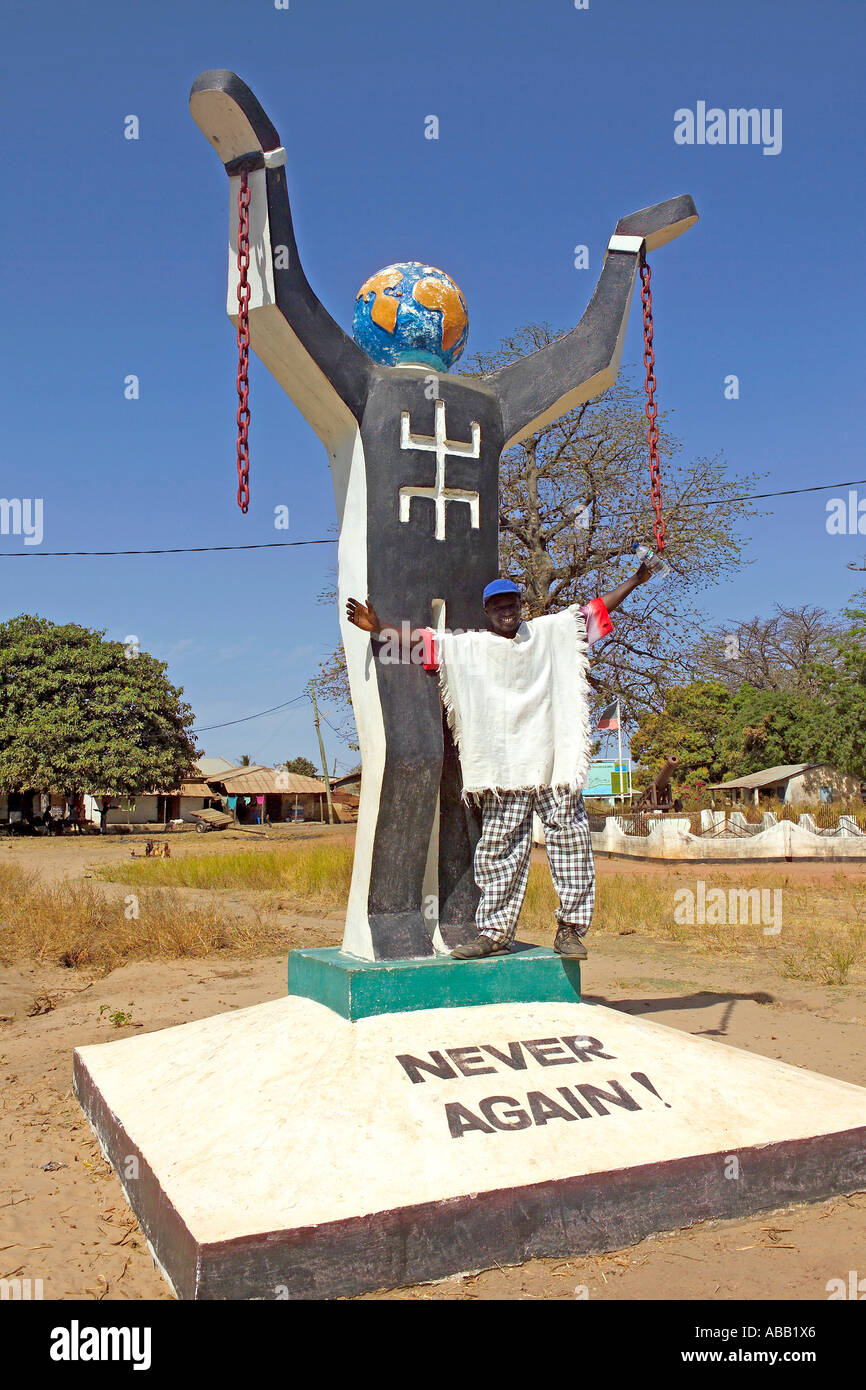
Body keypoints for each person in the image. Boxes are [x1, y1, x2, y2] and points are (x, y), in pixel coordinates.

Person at [346, 559, 652, 961]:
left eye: (512, 604)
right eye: (499, 606)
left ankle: (570, 931)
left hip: (553, 763)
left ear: (520, 606)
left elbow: (595, 610)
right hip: (505, 768)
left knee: (571, 843)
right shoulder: (469, 646)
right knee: (497, 849)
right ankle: (494, 933)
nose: (507, 611)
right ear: (487, 611)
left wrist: (636, 579)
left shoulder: (549, 633)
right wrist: (378, 627)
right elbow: (423, 642)